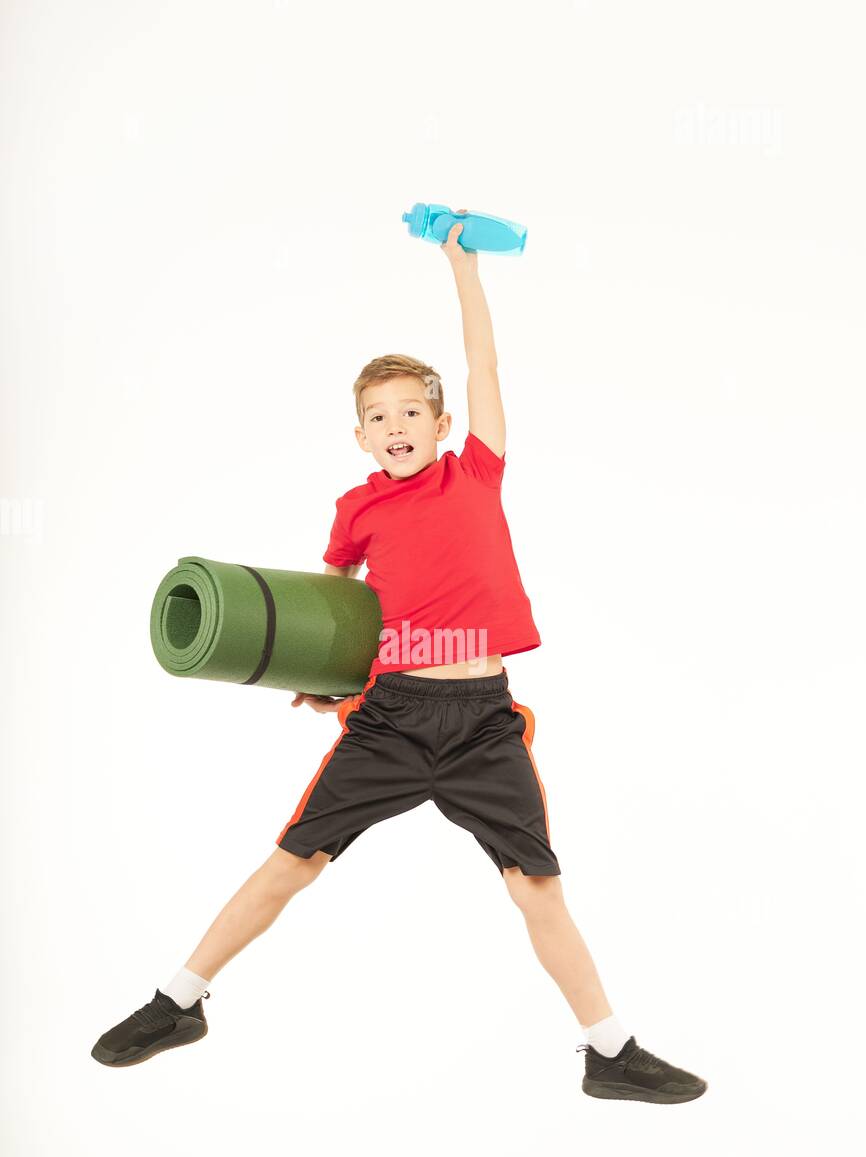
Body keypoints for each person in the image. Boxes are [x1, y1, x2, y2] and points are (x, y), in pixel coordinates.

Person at [92, 219, 707, 1104]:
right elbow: (332, 605)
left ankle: (610, 1052)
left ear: (443, 422)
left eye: (412, 411)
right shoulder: (356, 508)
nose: (396, 425)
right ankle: (177, 1002)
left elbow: (484, 363)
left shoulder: (475, 474)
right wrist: (319, 676)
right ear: (360, 438)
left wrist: (463, 265)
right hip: (391, 717)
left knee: (537, 887)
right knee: (291, 863)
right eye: (377, 417)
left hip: (482, 721)